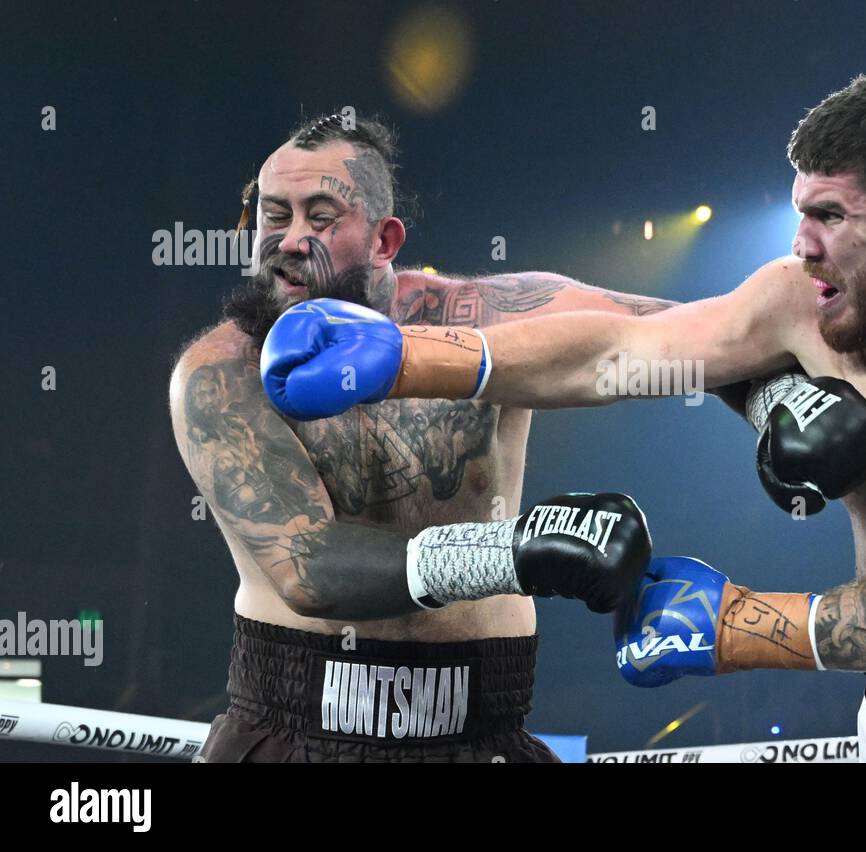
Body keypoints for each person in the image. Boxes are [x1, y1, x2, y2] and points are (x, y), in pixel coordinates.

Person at [262, 73, 866, 762]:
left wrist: (731, 626)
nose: (800, 244)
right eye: (798, 213)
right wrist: (403, 360)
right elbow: (618, 351)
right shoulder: (803, 300)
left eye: (828, 216)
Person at [169, 113, 684, 762]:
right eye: (275, 215)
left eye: (321, 216)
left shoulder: (486, 321)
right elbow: (312, 569)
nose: (292, 239)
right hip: (294, 721)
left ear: (385, 240)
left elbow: (692, 337)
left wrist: (778, 399)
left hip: (482, 722)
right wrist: (521, 551)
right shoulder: (223, 372)